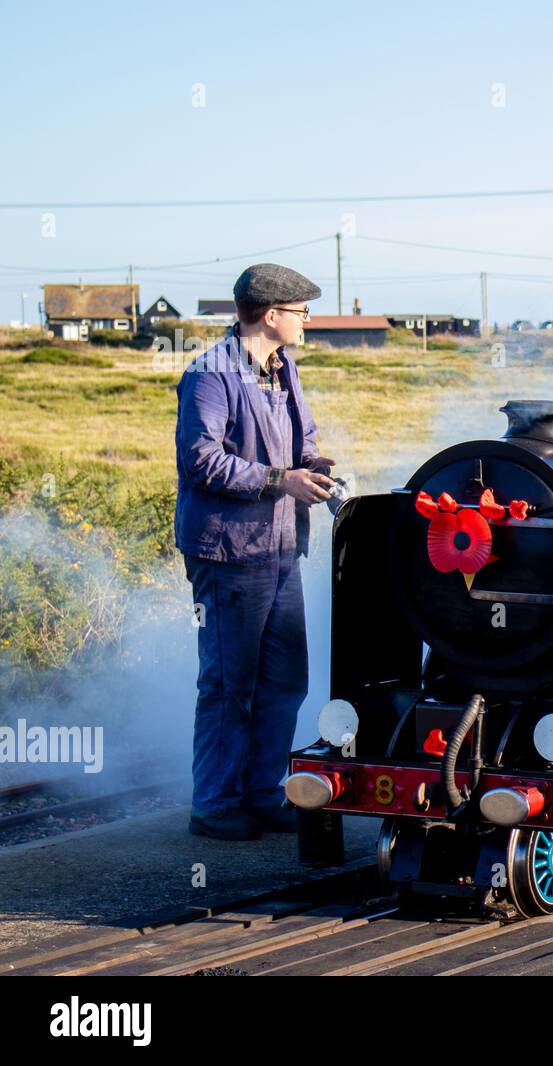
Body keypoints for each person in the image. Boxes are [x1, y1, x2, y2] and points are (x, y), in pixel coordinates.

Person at [174, 263, 336, 840]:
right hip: (230, 552)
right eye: (299, 311)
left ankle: (262, 794)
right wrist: (279, 480)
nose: (307, 320)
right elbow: (202, 461)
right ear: (271, 315)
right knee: (228, 686)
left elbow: (304, 437)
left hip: (282, 545)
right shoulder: (210, 376)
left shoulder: (281, 367)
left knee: (285, 680)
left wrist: (312, 467)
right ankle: (215, 806)